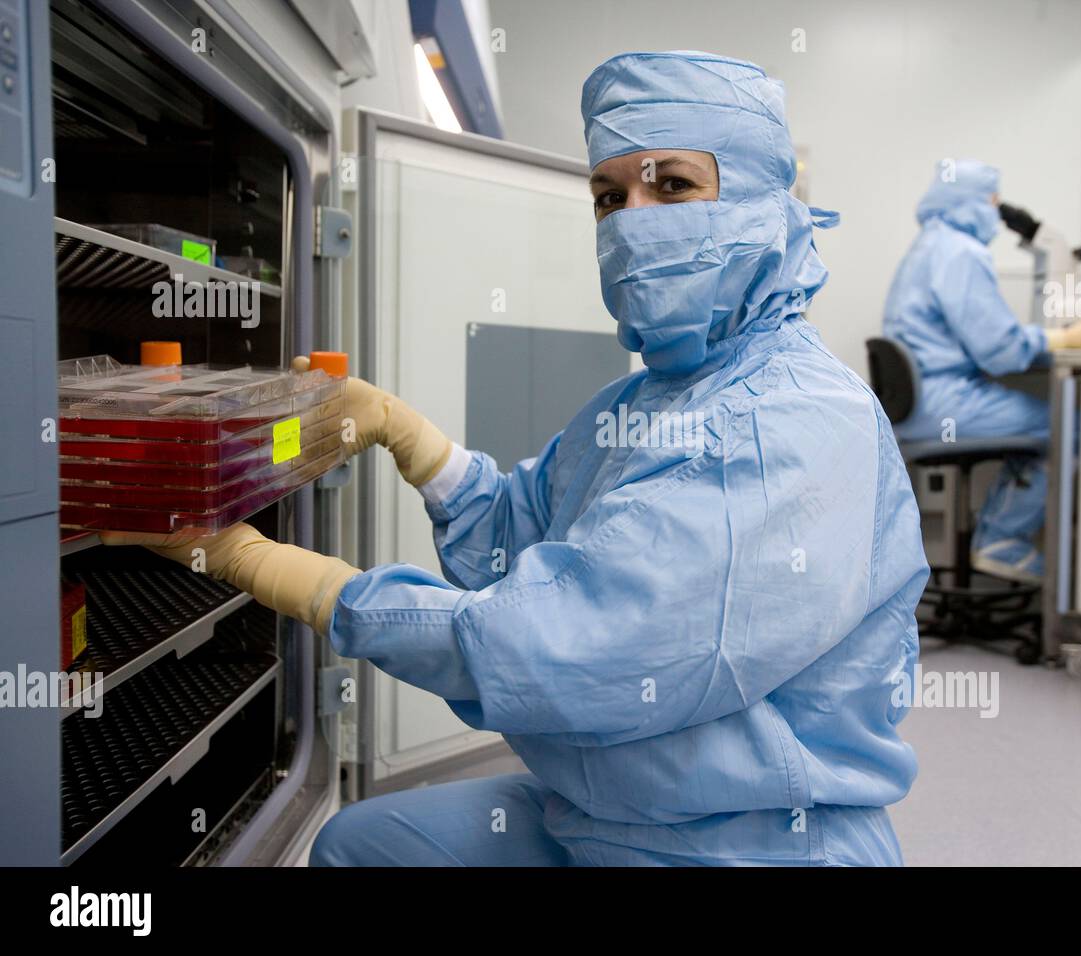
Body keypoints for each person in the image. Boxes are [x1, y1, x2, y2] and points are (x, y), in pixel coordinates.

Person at [106, 51, 928, 866]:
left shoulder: (791, 423)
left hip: (746, 839)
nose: (634, 220)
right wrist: (407, 436)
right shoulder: (643, 402)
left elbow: (558, 642)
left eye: (671, 185)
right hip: (605, 805)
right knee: (359, 846)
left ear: (752, 202)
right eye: (609, 198)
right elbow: (519, 531)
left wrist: (288, 574)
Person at [882, 160, 1081, 582]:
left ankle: (999, 537)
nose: (996, 214)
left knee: (1048, 420)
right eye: (992, 202)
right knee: (1067, 426)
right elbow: (998, 350)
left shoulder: (929, 245)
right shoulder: (961, 253)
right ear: (970, 202)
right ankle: (1003, 540)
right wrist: (1066, 339)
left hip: (918, 405)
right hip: (945, 405)